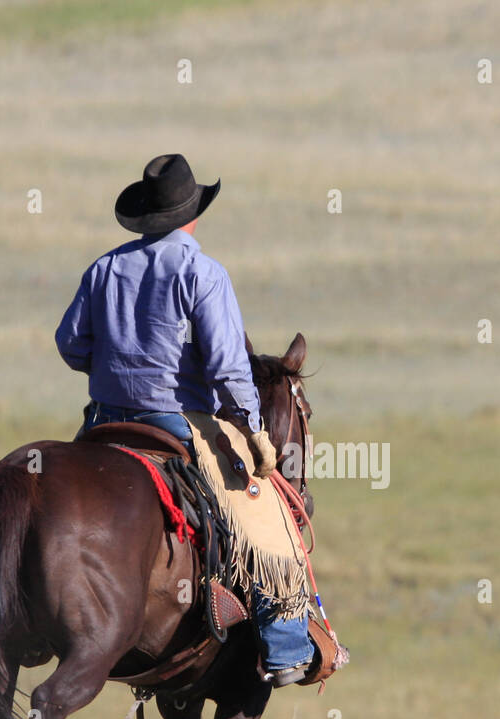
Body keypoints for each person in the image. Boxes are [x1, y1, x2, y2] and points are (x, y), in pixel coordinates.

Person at [55, 153, 315, 687]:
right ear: (192, 215)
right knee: (265, 511)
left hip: (102, 422)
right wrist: (253, 431)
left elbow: (70, 344)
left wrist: (113, 362)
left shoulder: (104, 268)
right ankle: (287, 647)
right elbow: (227, 365)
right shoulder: (203, 272)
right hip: (178, 423)